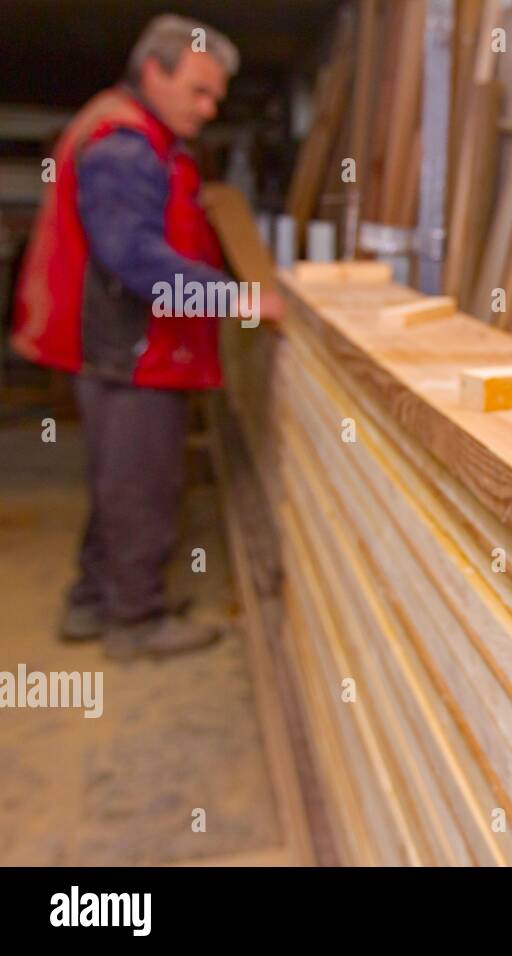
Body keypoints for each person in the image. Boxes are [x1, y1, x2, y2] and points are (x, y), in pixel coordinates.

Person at [9, 15, 284, 660]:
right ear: (155, 72)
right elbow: (136, 263)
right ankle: (134, 622)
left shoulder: (136, 133)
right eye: (198, 91)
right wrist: (240, 299)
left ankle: (91, 603)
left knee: (117, 481)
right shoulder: (124, 145)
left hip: (118, 347)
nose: (210, 108)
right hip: (131, 350)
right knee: (142, 486)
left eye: (216, 95)